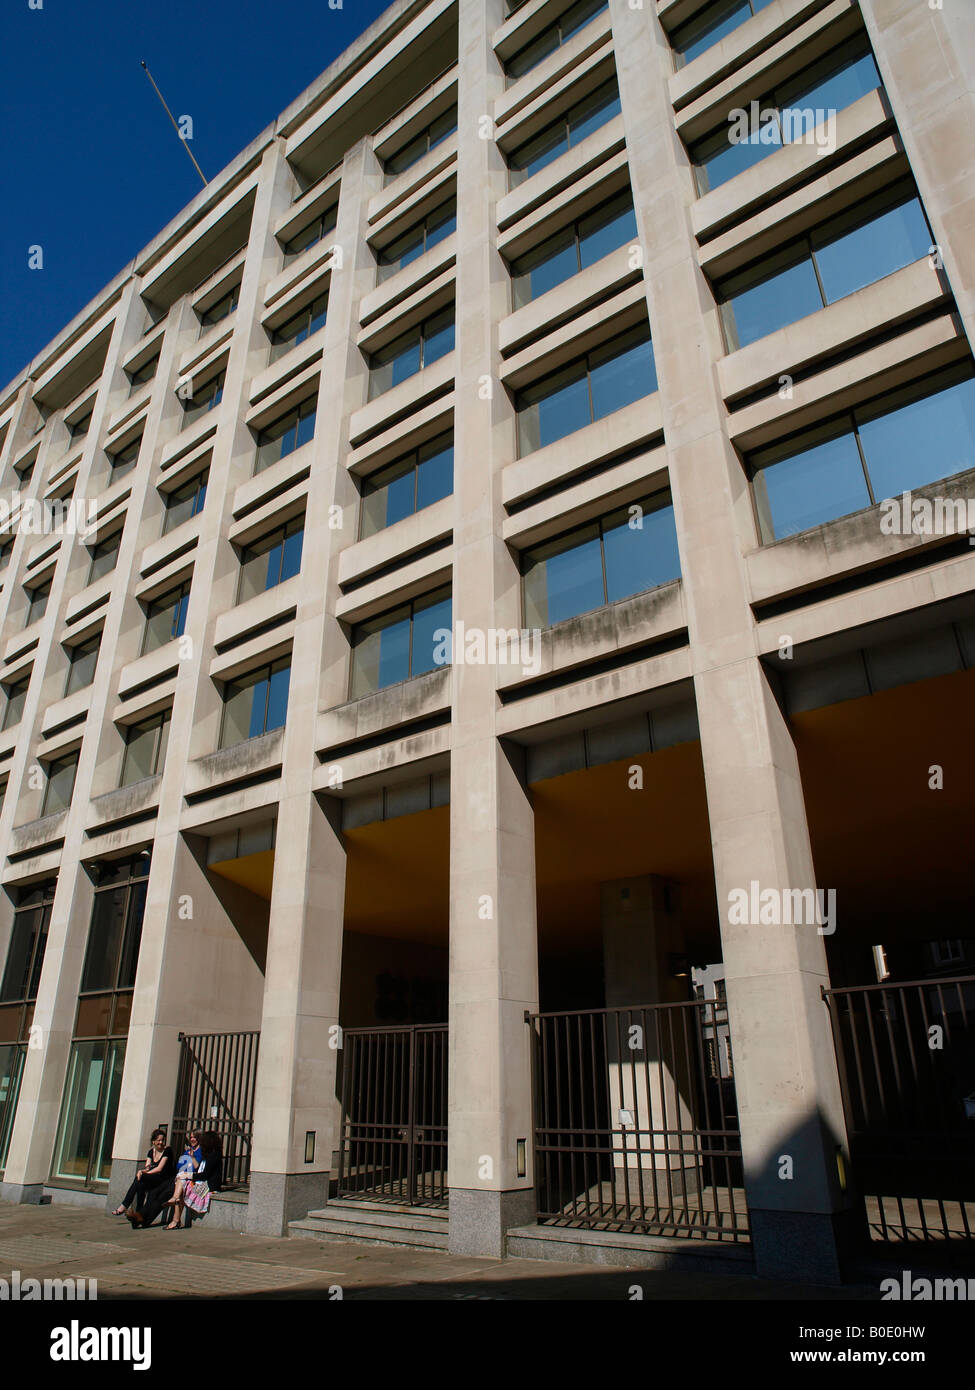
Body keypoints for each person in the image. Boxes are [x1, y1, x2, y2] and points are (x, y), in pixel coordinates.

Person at [113, 1129, 169, 1217]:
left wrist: (144, 1174)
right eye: (159, 1140)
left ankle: (125, 1205)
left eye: (162, 1140)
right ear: (153, 1141)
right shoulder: (151, 1152)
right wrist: (141, 1171)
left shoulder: (167, 1151)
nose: (161, 1142)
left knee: (140, 1178)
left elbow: (159, 1168)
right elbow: (147, 1167)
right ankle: (139, 1212)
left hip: (161, 1179)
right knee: (140, 1184)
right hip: (152, 1177)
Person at [180, 1131, 224, 1223]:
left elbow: (204, 1175)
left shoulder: (214, 1155)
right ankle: (175, 1203)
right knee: (180, 1181)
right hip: (203, 1182)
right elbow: (199, 1169)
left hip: (208, 1185)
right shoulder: (208, 1154)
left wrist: (189, 1175)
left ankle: (176, 1217)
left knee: (182, 1183)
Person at [165, 1130, 202, 1230]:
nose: (192, 1140)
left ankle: (175, 1218)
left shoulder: (200, 1151)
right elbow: (179, 1166)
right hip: (183, 1177)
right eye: (191, 1137)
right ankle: (175, 1220)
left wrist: (192, 1157)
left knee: (181, 1180)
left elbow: (198, 1167)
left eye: (194, 1137)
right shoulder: (187, 1151)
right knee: (180, 1185)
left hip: (194, 1177)